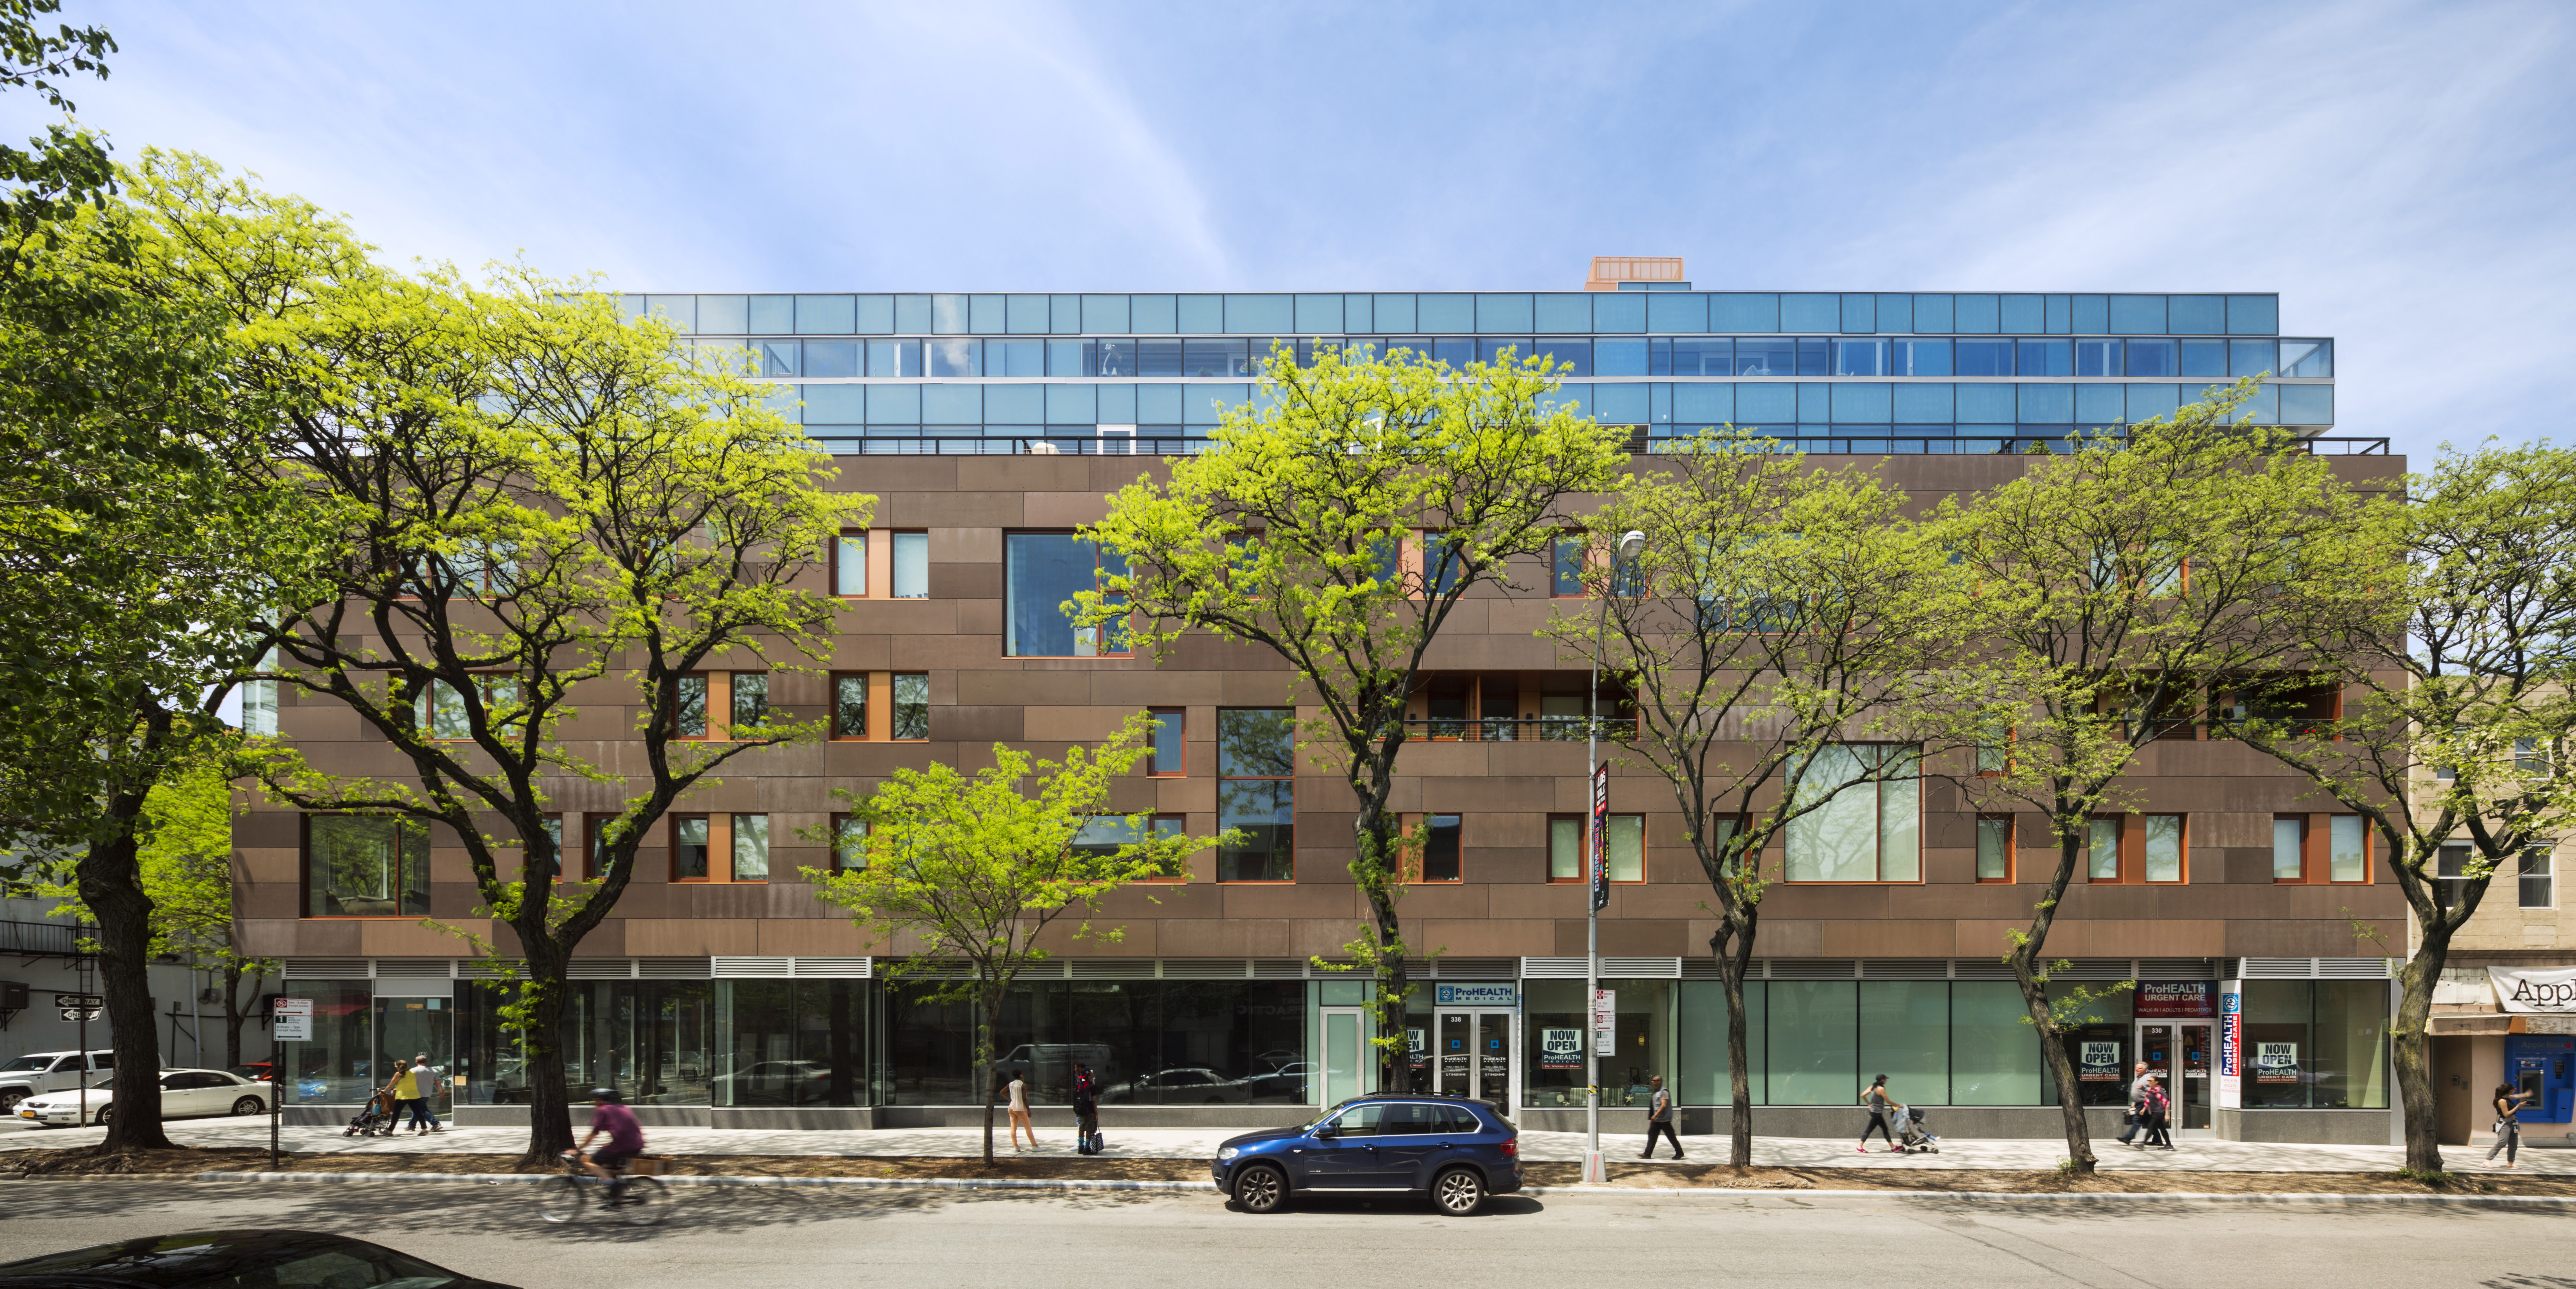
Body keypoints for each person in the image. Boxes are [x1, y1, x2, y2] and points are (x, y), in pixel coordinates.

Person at [571, 1087, 645, 1199]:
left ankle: (613, 1184)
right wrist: (611, 1145)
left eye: (594, 1100)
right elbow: (625, 1129)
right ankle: (614, 1200)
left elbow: (594, 1134)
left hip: (623, 1146)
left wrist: (579, 1149)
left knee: (590, 1161)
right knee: (609, 1169)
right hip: (637, 1145)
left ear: (599, 1100)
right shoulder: (623, 1108)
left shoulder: (602, 1110)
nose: (593, 1103)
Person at [2488, 1083, 2536, 1168]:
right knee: (2502, 1143)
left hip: (2513, 1123)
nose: (2514, 1092)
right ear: (2510, 1091)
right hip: (2505, 1124)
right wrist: (2518, 1106)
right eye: (2514, 1090)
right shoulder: (2502, 1101)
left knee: (2514, 1144)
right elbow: (2506, 1114)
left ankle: (2511, 1163)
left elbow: (2516, 1097)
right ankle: (2487, 1161)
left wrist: (2526, 1095)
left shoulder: (2507, 1098)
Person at [1640, 1074, 1682, 1160]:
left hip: (1664, 1120)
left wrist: (1655, 1115)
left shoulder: (1664, 1092)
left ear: (1659, 1082)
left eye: (1654, 1081)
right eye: (1652, 1081)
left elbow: (1664, 1105)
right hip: (1657, 1120)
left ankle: (1680, 1153)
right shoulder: (1656, 1091)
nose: (1652, 1082)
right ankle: (1647, 1154)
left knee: (1671, 1137)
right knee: (1652, 1135)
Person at [1859, 1074, 1897, 1153]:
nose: (1886, 1081)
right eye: (1886, 1079)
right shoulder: (1881, 1089)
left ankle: (1893, 1148)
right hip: (1877, 1113)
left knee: (1885, 1129)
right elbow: (1888, 1101)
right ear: (1882, 1080)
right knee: (1869, 1130)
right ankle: (1859, 1147)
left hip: (1874, 1111)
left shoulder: (1872, 1087)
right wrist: (1899, 1105)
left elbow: (1862, 1095)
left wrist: (1869, 1104)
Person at [2118, 1061, 2152, 1147]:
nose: (2137, 1069)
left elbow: (2153, 1091)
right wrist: (2134, 1103)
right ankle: (2158, 1140)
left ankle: (2128, 1138)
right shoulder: (2138, 1077)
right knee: (2150, 1123)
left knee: (2137, 1121)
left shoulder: (2149, 1078)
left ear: (2145, 1070)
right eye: (2137, 1068)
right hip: (2138, 1103)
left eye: (2140, 1068)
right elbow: (2136, 1091)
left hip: (2144, 1104)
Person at [404, 1054, 441, 1133]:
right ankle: (411, 1126)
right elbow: (438, 1083)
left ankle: (436, 1124)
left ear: (416, 1062)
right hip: (427, 1093)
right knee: (417, 1110)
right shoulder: (433, 1071)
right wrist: (441, 1093)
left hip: (416, 1094)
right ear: (426, 1062)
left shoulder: (413, 1071)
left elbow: (408, 1082)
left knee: (422, 1110)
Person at [1071, 1061, 1100, 1155]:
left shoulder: (1080, 1085)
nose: (1093, 1075)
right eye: (1091, 1074)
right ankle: (1087, 1149)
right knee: (1089, 1130)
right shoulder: (1092, 1087)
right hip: (1090, 1111)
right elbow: (1094, 1101)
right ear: (1089, 1077)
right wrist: (1096, 1114)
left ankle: (1081, 1147)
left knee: (1082, 1129)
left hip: (1082, 1110)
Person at [1005, 1069, 1037, 1152]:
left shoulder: (1011, 1084)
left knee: (1013, 1128)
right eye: (1023, 1074)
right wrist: (1028, 1110)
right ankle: (1035, 1146)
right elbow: (1024, 1099)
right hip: (1020, 1109)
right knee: (1028, 1128)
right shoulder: (1023, 1085)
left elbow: (1002, 1092)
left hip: (1012, 1108)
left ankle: (1016, 1147)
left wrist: (1011, 1100)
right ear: (1021, 1076)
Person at [2141, 1071, 2174, 1149]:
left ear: (2156, 1082)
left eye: (2151, 1081)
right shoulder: (2150, 1091)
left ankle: (2142, 1144)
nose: (2149, 1082)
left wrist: (2167, 1115)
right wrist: (2144, 1109)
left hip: (2160, 1112)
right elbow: (2147, 1100)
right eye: (2148, 1081)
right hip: (2155, 1112)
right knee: (2162, 1128)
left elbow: (2167, 1103)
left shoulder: (2160, 1092)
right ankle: (2169, 1145)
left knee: (2150, 1126)